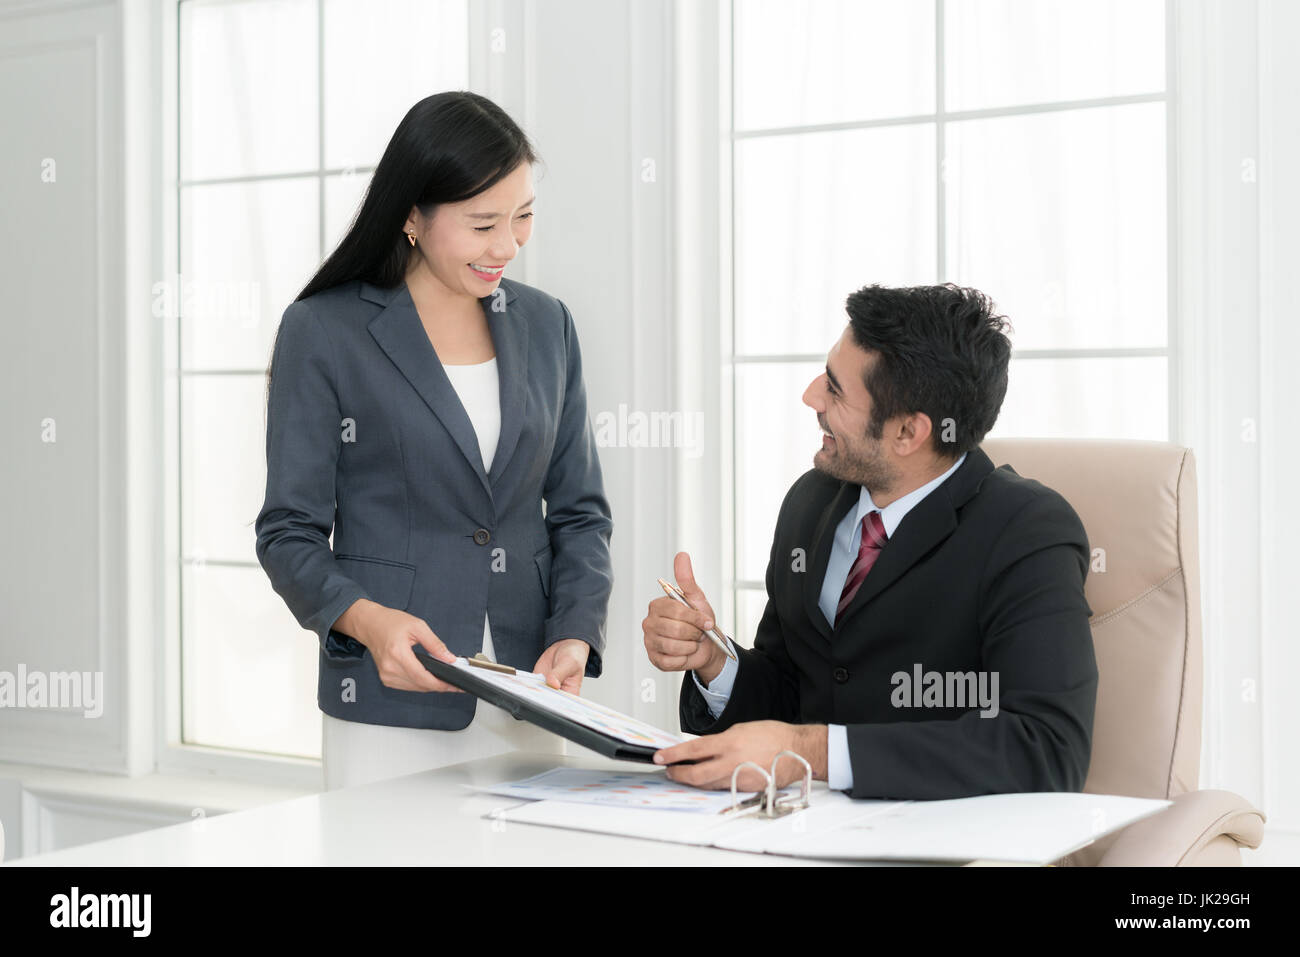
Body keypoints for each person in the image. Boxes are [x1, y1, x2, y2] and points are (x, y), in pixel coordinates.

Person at [256, 92, 613, 790]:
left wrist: (575, 632)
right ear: (413, 218)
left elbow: (581, 514)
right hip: (390, 708)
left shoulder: (548, 325)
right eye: (483, 224)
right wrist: (367, 621)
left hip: (531, 701)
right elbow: (287, 532)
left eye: (523, 217)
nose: (507, 245)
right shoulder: (325, 331)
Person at [642, 284, 1097, 800]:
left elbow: (1047, 749)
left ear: (908, 432)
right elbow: (793, 697)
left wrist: (814, 753)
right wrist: (714, 660)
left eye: (835, 389)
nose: (811, 395)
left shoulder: (1026, 531)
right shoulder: (811, 501)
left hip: (939, 842)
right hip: (796, 831)